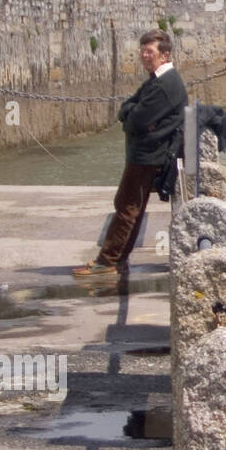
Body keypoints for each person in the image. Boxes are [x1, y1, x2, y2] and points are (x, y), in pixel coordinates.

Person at [73, 29, 188, 277]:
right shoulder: (156, 79)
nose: (144, 56)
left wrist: (130, 115)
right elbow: (127, 107)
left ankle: (109, 261)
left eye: (150, 52)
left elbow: (134, 119)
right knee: (128, 205)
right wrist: (130, 113)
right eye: (143, 51)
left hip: (149, 155)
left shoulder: (165, 85)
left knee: (127, 207)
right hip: (146, 153)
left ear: (165, 55)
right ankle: (117, 258)